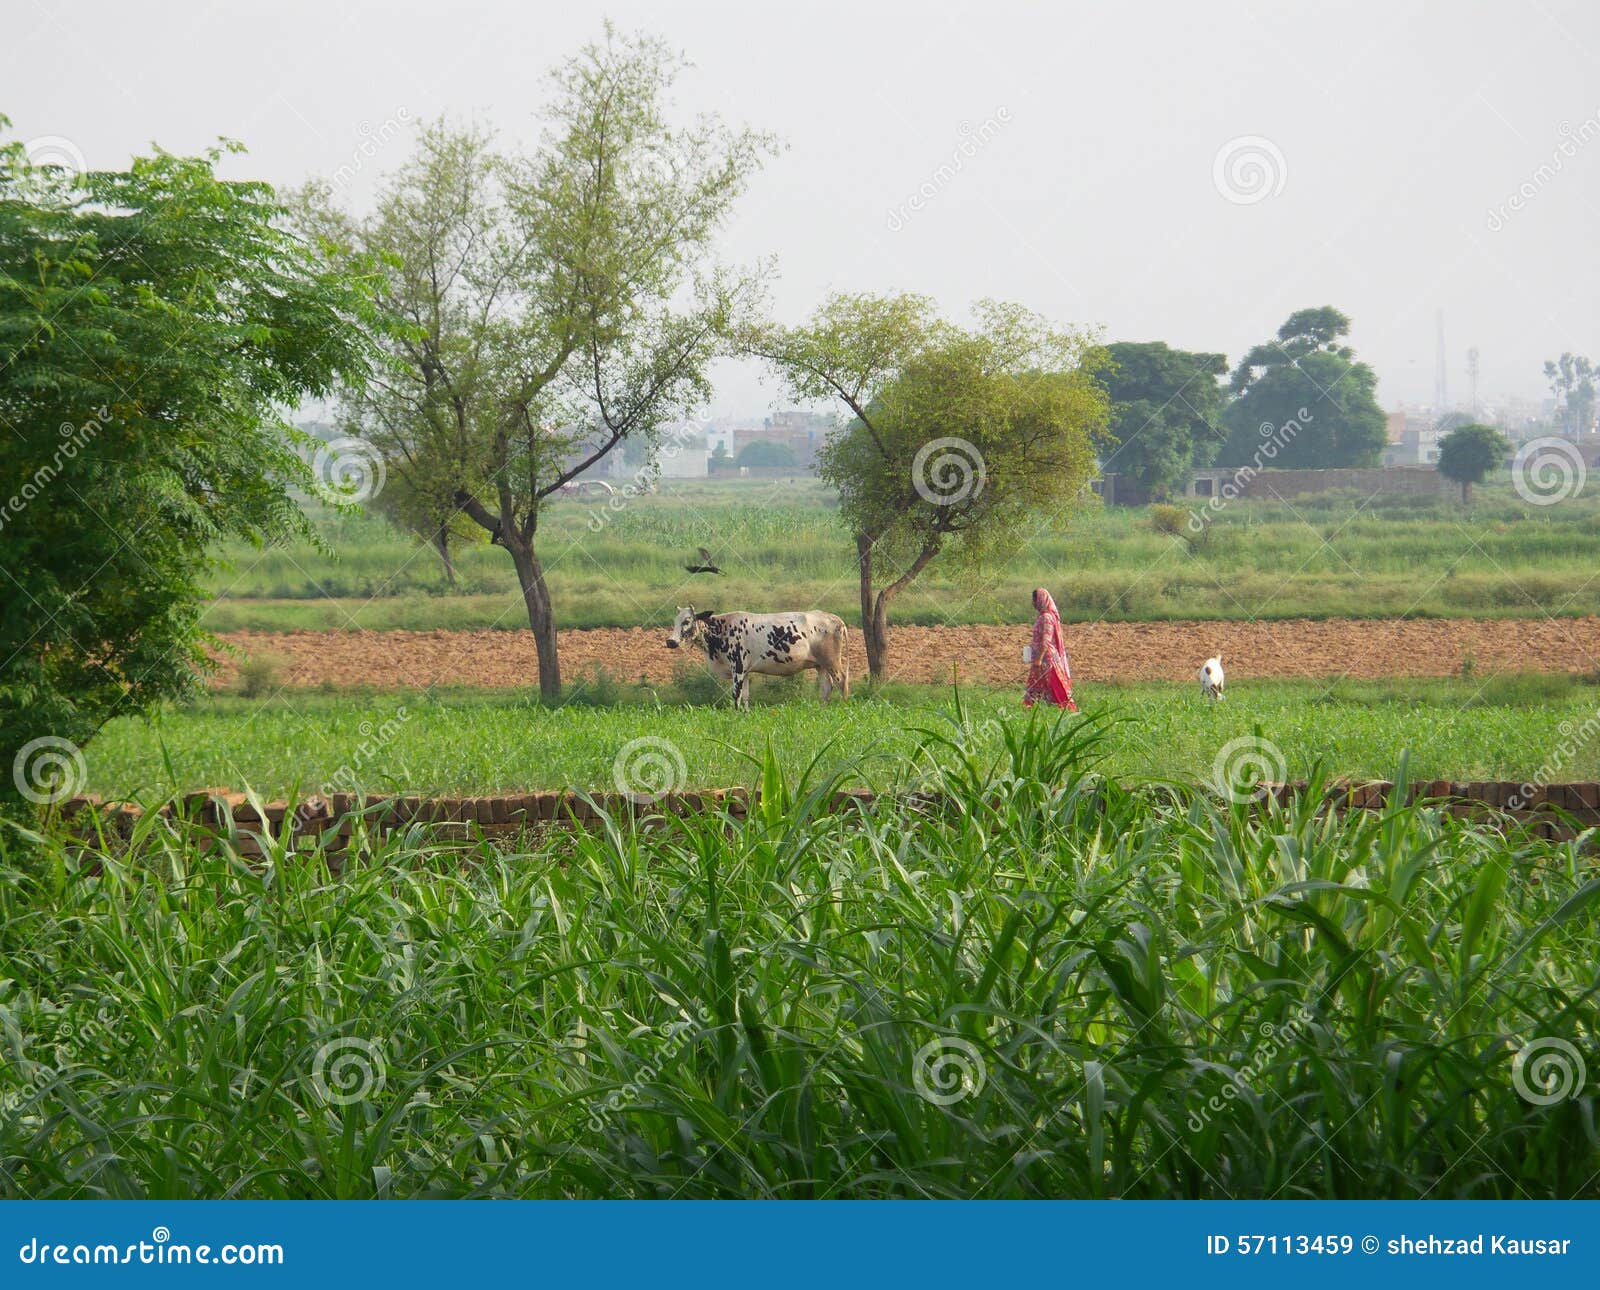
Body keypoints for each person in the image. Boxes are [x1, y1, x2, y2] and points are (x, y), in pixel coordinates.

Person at [1022, 587, 1077, 711]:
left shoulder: (1047, 617)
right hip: (1041, 657)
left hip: (1046, 658)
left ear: (1041, 600)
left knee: (1053, 683)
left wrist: (1039, 660)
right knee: (1037, 684)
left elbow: (1046, 640)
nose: (1033, 603)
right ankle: (1032, 709)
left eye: (1035, 600)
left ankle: (1065, 708)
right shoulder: (1043, 616)